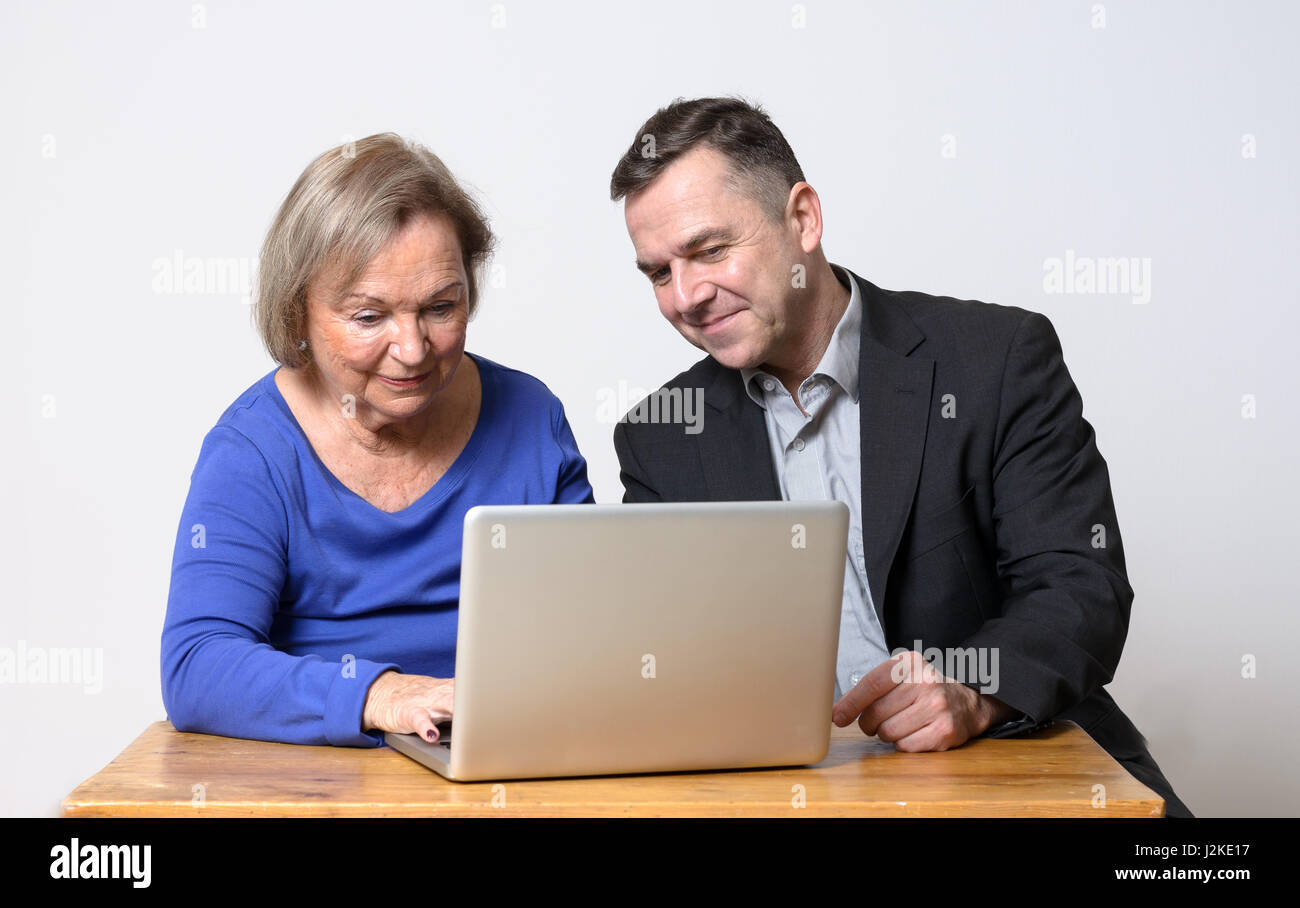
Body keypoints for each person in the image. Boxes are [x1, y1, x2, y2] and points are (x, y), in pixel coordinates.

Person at [608, 97, 1191, 816]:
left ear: (803, 220)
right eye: (659, 273)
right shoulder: (661, 436)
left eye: (708, 250)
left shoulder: (996, 361)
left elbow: (1081, 585)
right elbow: (671, 663)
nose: (686, 296)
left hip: (1019, 771)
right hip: (799, 796)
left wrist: (973, 692)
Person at [161, 133, 593, 749]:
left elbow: (589, 631)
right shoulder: (252, 451)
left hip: (503, 759)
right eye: (369, 317)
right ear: (297, 312)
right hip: (325, 781)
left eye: (441, 308)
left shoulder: (530, 416)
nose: (413, 350)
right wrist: (379, 696)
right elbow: (198, 668)